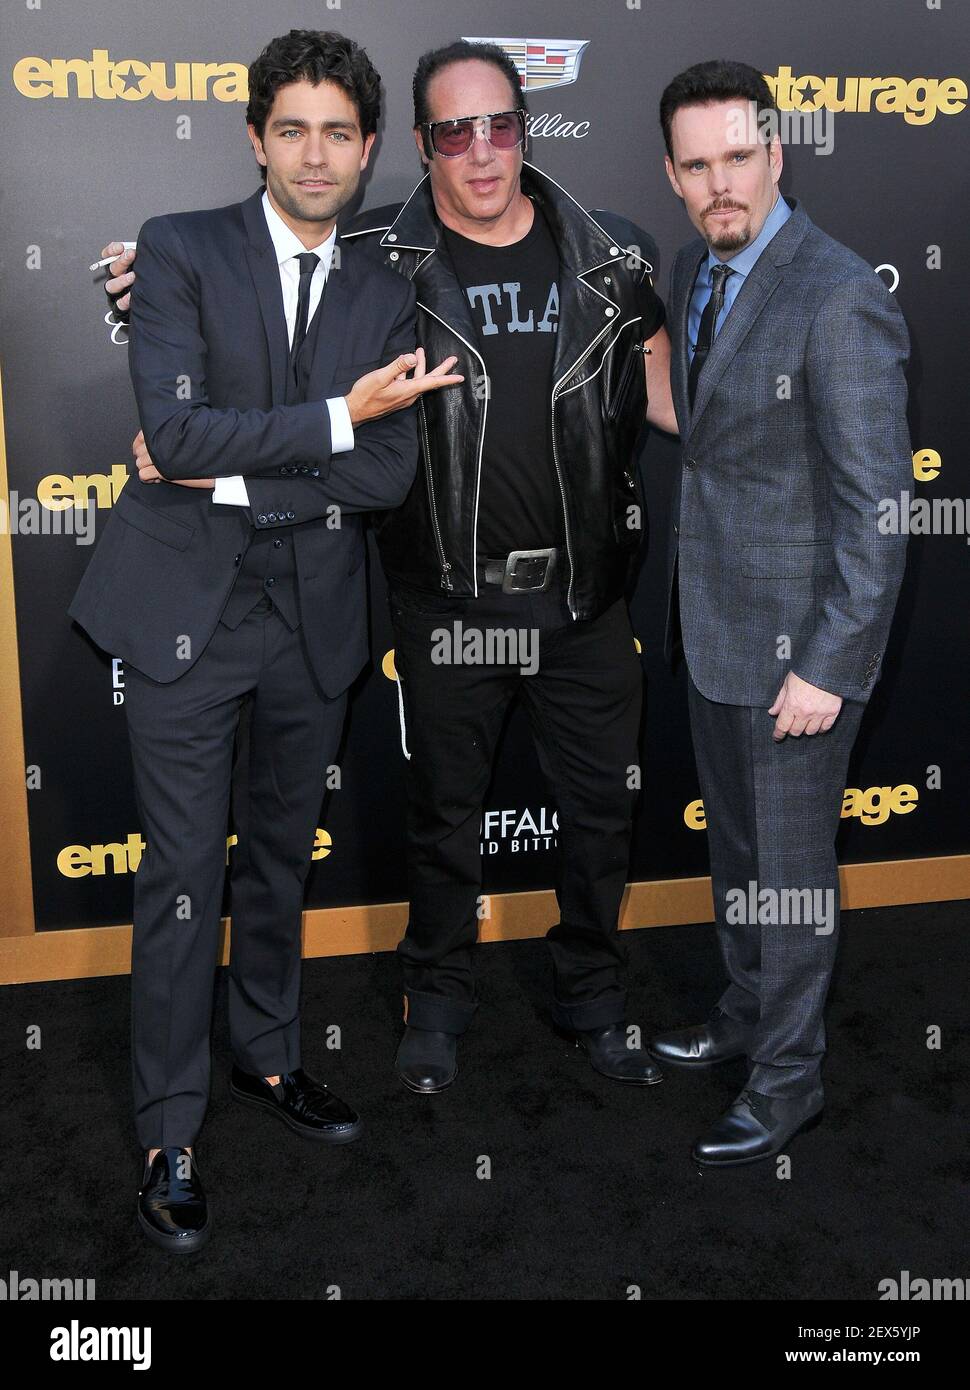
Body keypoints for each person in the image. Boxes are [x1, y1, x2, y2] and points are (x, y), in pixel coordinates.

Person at [104, 39, 678, 1100]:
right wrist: (144, 288)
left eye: (499, 123)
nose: (480, 150)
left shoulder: (617, 255)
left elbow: (668, 398)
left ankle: (593, 997)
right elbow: (262, 287)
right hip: (448, 597)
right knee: (440, 816)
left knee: (601, 819)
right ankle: (433, 1003)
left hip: (587, 601)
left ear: (525, 127)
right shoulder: (386, 262)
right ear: (415, 146)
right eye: (453, 131)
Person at [71, 28, 460, 1253]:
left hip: (315, 624)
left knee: (278, 861)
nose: (313, 153)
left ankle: (268, 1058)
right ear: (253, 138)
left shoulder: (393, 282)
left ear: (370, 148)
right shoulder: (179, 249)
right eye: (289, 127)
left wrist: (245, 471)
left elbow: (391, 472)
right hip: (184, 614)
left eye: (337, 131)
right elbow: (177, 440)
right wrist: (333, 423)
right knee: (183, 879)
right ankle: (168, 1130)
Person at [648, 60, 911, 1165]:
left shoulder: (838, 291)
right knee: (739, 853)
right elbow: (711, 435)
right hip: (713, 629)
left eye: (740, 157)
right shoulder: (694, 269)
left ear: (778, 152)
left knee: (792, 873)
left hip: (798, 652)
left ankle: (790, 1079)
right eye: (698, 164)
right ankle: (747, 1012)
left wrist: (828, 663)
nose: (722, 185)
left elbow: (879, 504)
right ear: (672, 173)